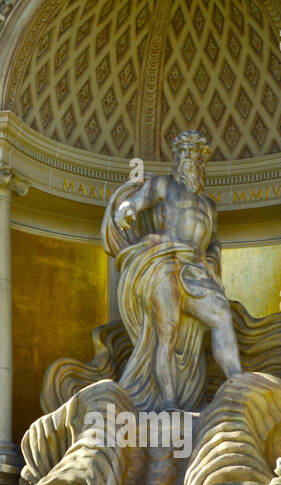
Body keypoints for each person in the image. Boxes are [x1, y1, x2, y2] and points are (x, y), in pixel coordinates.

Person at [103, 130, 243, 412]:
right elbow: (139, 201)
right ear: (177, 159)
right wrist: (126, 208)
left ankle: (238, 383)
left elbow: (213, 242)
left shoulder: (208, 204)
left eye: (195, 156)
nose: (189, 160)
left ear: (202, 163)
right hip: (164, 261)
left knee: (221, 314)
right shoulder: (163, 185)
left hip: (195, 268)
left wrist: (212, 262)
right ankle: (168, 402)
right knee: (166, 331)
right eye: (184, 155)